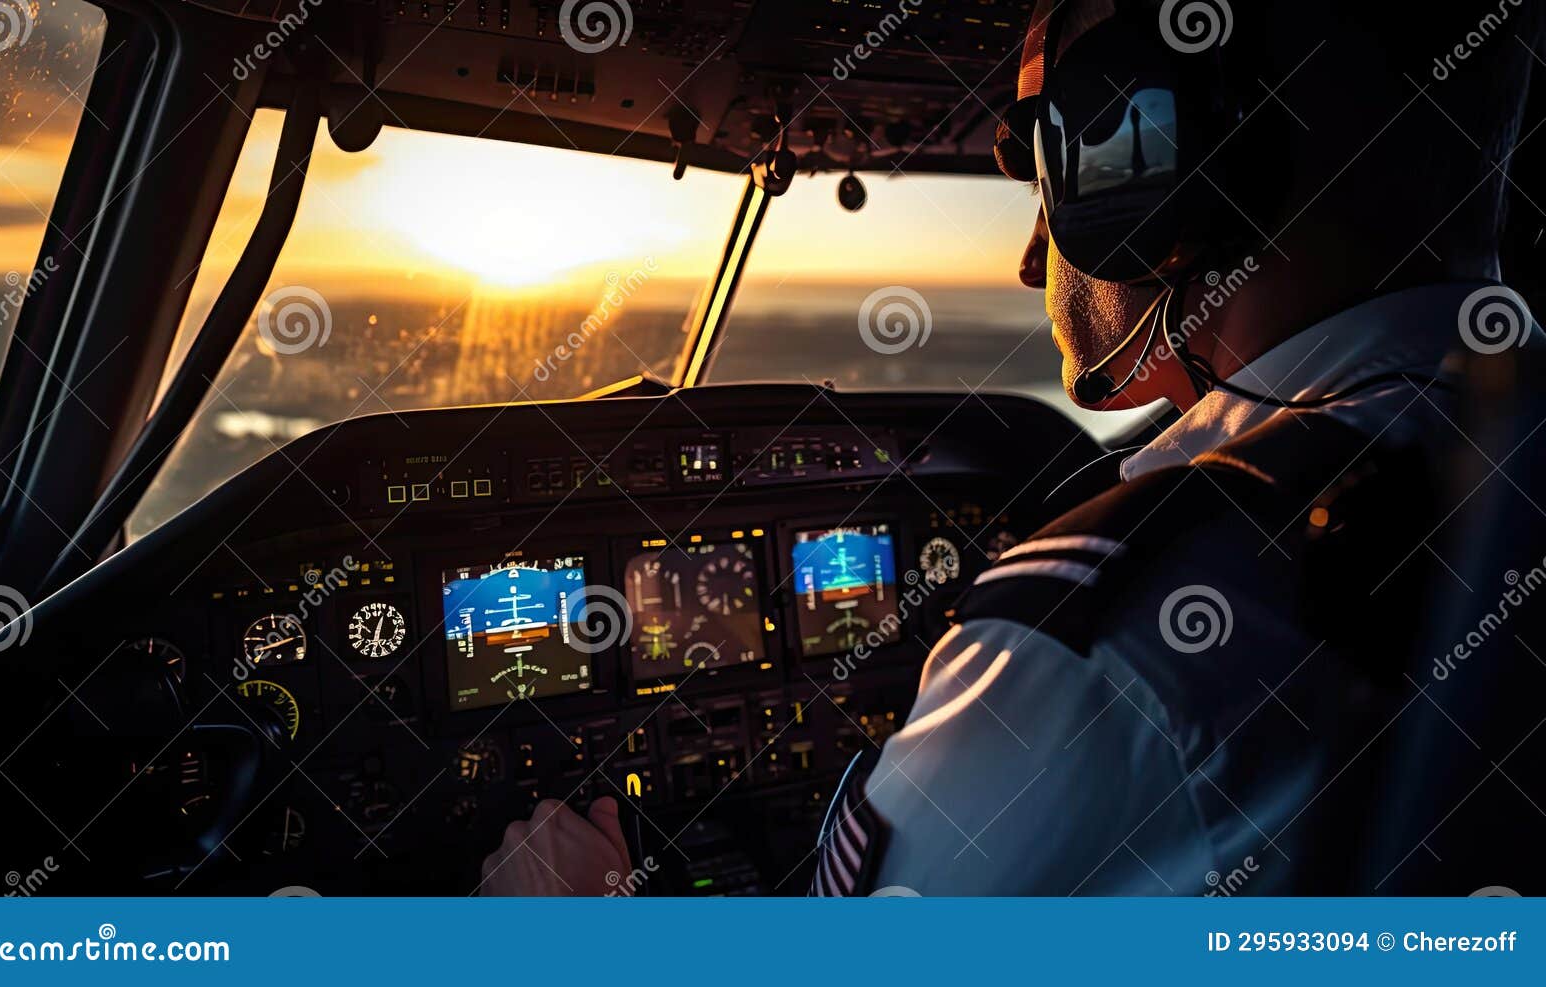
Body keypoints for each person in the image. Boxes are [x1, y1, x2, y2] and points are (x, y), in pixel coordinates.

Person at [479, 0, 1545, 895]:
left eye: (1042, 161)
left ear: (1148, 162)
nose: (1032, 247)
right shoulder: (1505, 454)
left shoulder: (1099, 644)